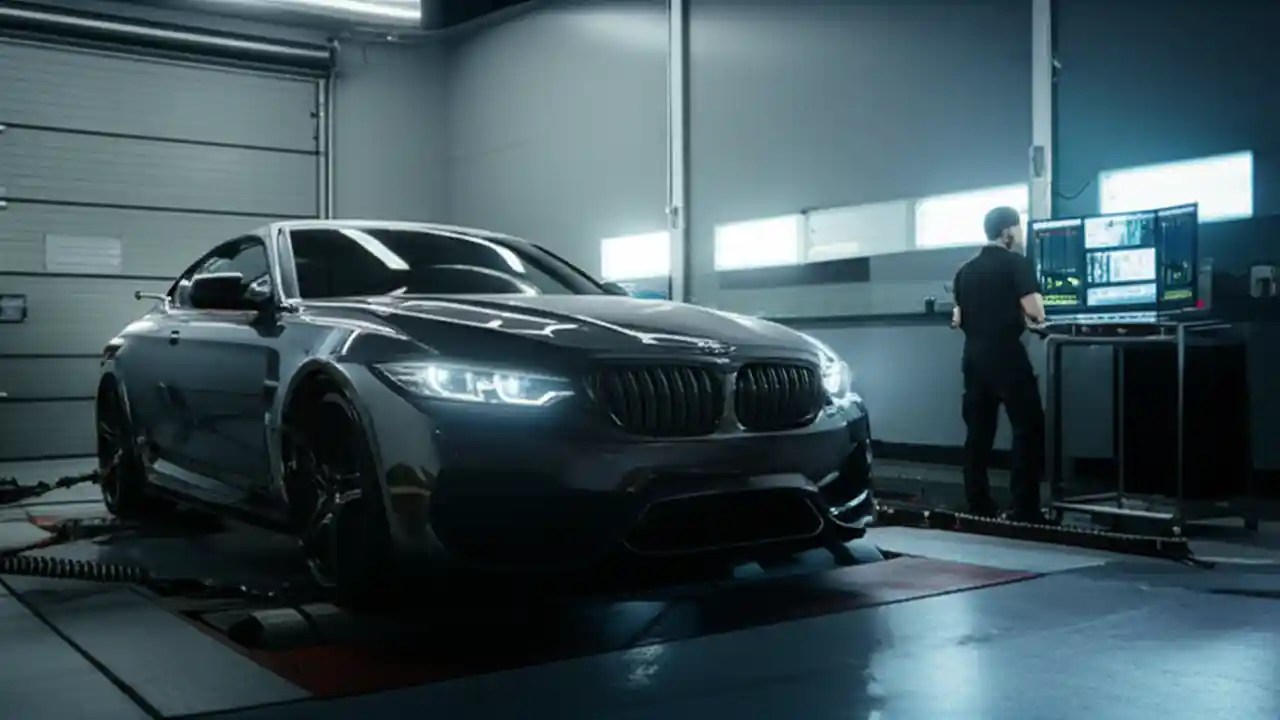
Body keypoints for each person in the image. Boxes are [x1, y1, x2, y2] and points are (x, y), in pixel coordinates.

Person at [950, 206, 1048, 523]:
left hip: (974, 357)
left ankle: (978, 504)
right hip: (1006, 354)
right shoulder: (1016, 264)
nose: (1019, 237)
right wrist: (1035, 316)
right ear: (1007, 232)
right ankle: (1024, 508)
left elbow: (958, 318)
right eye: (1017, 231)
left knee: (979, 433)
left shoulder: (965, 270)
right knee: (1027, 428)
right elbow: (1036, 313)